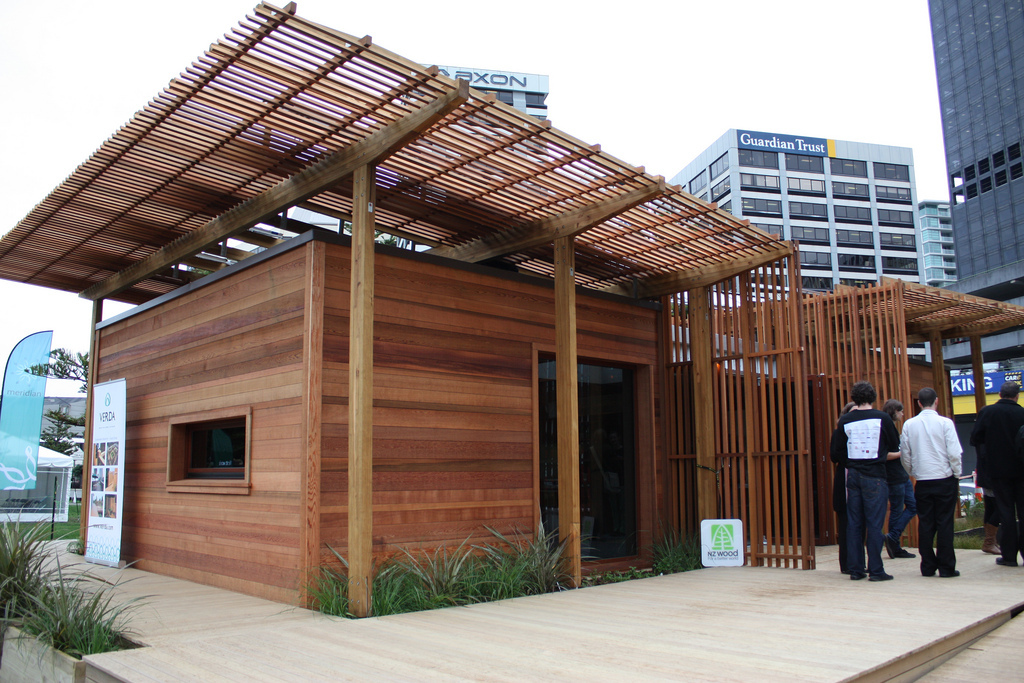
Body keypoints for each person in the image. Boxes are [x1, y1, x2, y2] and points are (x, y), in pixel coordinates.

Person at [830, 382, 900, 581]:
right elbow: (894, 444)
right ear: (873, 396)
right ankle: (876, 570)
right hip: (875, 474)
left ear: (854, 397)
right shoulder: (883, 418)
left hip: (852, 475)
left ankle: (856, 569)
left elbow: (839, 450)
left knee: (854, 523)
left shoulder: (845, 420)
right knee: (875, 524)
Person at [900, 387, 963, 578]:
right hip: (944, 478)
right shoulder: (946, 423)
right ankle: (946, 567)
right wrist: (957, 473)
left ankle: (927, 565)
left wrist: (913, 471)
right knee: (945, 523)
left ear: (919, 403)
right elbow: (954, 452)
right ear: (936, 401)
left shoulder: (909, 425)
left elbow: (905, 454)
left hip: (923, 480)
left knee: (925, 523)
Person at [970, 381, 1024, 567]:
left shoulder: (987, 412)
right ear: (1017, 396)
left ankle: (1009, 556)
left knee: (1005, 512)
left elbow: (975, 438)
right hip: (1021, 470)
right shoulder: (1022, 413)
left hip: (998, 471)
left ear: (999, 395)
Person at [882, 399, 917, 559]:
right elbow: (884, 455)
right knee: (898, 508)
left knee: (911, 506)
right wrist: (903, 452)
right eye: (900, 411)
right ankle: (894, 541)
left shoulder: (891, 426)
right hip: (894, 475)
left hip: (901, 474)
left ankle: (893, 539)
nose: (902, 414)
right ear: (894, 411)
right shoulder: (886, 426)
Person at [833, 401, 856, 574]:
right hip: (845, 477)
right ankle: (846, 563)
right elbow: (834, 455)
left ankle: (859, 561)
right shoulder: (838, 433)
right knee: (845, 523)